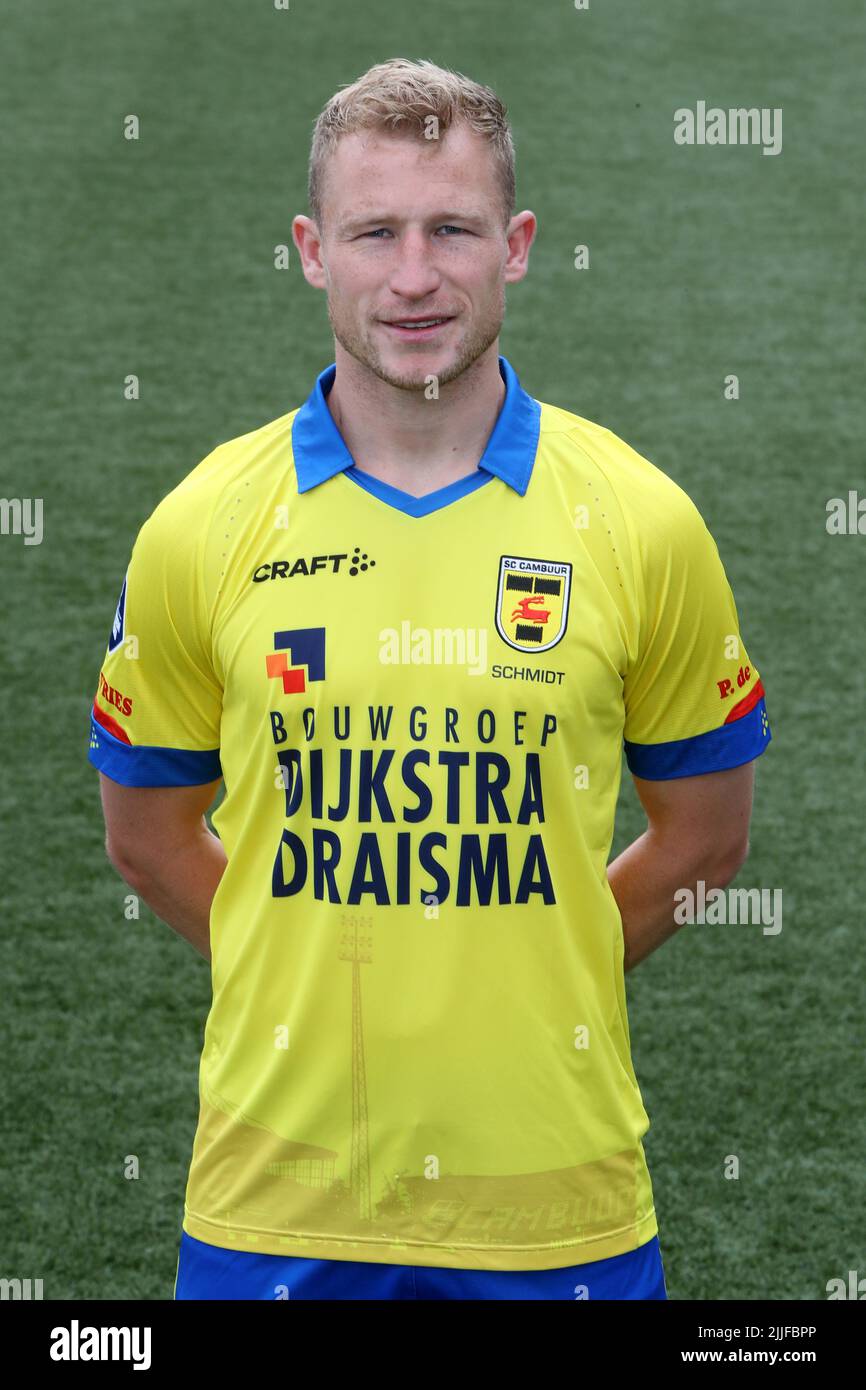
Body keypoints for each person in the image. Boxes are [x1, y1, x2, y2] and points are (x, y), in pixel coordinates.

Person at [87, 57, 771, 1301]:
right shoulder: (200, 525)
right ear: (310, 250)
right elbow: (147, 838)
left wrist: (528, 963)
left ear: (513, 245)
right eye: (373, 232)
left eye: (450, 229)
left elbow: (705, 841)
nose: (412, 276)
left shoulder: (640, 521)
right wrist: (318, 948)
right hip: (273, 1200)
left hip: (554, 1200)